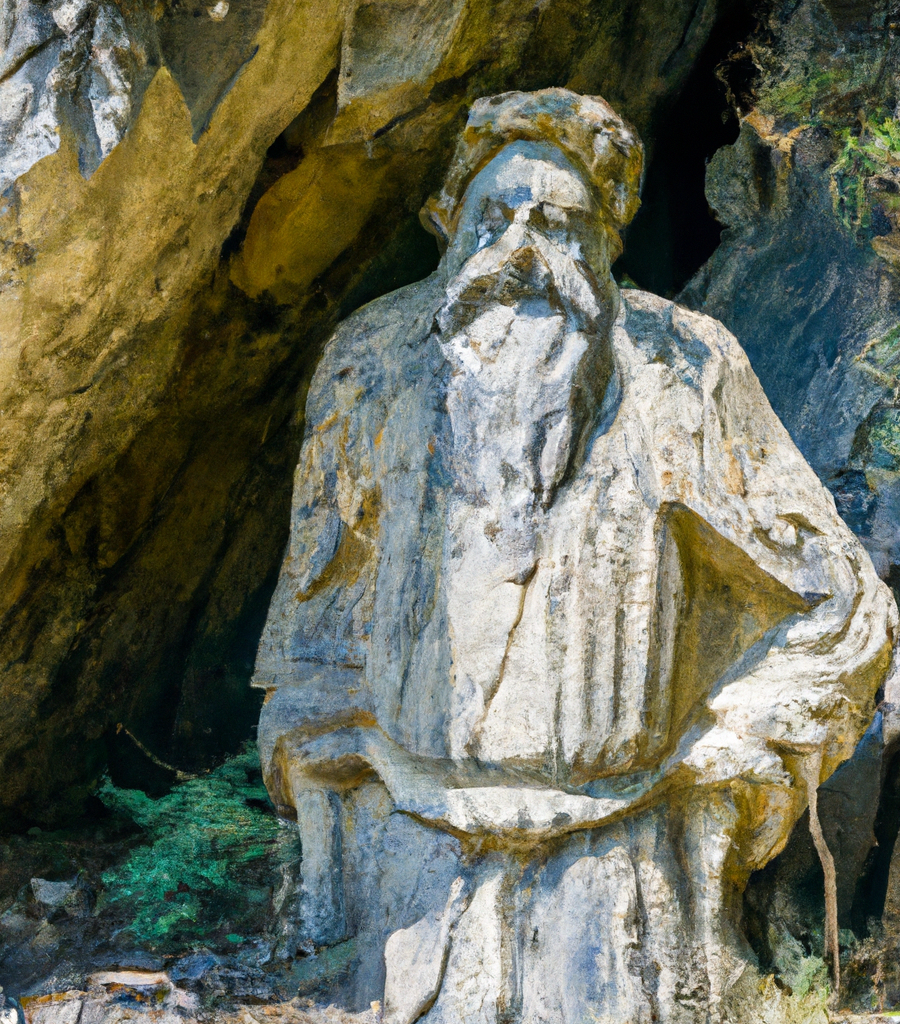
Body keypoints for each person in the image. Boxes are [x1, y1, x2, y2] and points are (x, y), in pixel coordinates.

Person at [252, 89, 897, 1023]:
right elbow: (314, 609)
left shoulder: (682, 369)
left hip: (622, 859)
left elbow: (837, 601)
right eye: (496, 216)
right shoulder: (375, 360)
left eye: (558, 222)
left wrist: (736, 746)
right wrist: (330, 747)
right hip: (408, 850)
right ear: (449, 226)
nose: (524, 250)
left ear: (605, 240)